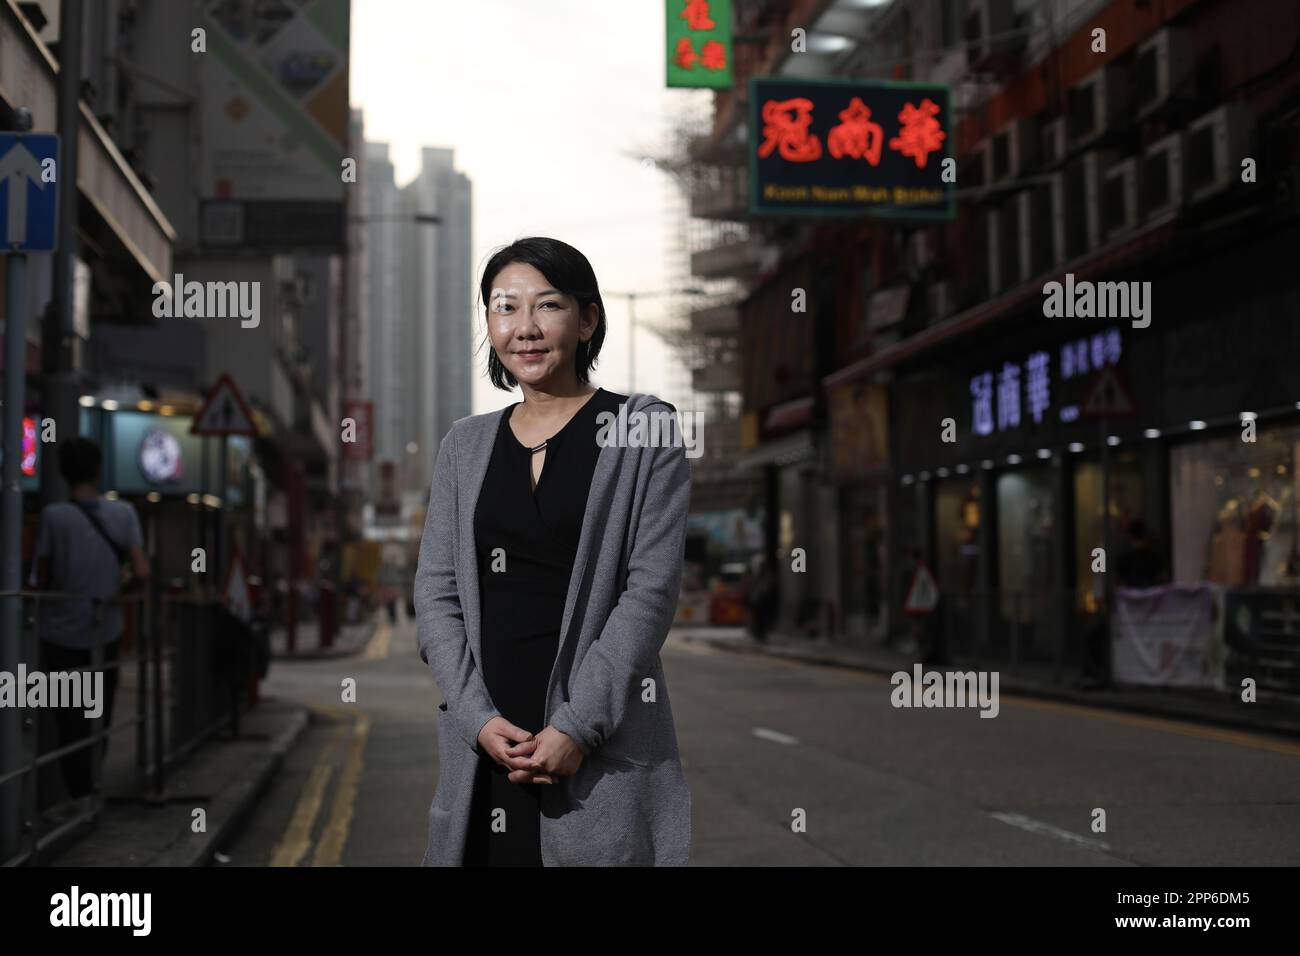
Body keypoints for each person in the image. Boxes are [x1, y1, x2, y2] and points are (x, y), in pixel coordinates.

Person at [415, 237, 692, 866]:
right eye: (505, 308)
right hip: (487, 746)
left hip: (596, 746)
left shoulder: (643, 430)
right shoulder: (465, 445)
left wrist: (576, 727)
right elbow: (436, 593)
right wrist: (475, 719)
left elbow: (648, 594)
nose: (526, 328)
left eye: (549, 306)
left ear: (588, 317)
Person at [30, 436, 149, 813]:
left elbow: (41, 579)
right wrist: (116, 588)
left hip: (59, 634)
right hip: (106, 630)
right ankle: (90, 788)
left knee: (68, 718)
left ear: (64, 474)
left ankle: (79, 796)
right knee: (99, 712)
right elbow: (142, 571)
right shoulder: (125, 513)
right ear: (98, 470)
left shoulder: (53, 517)